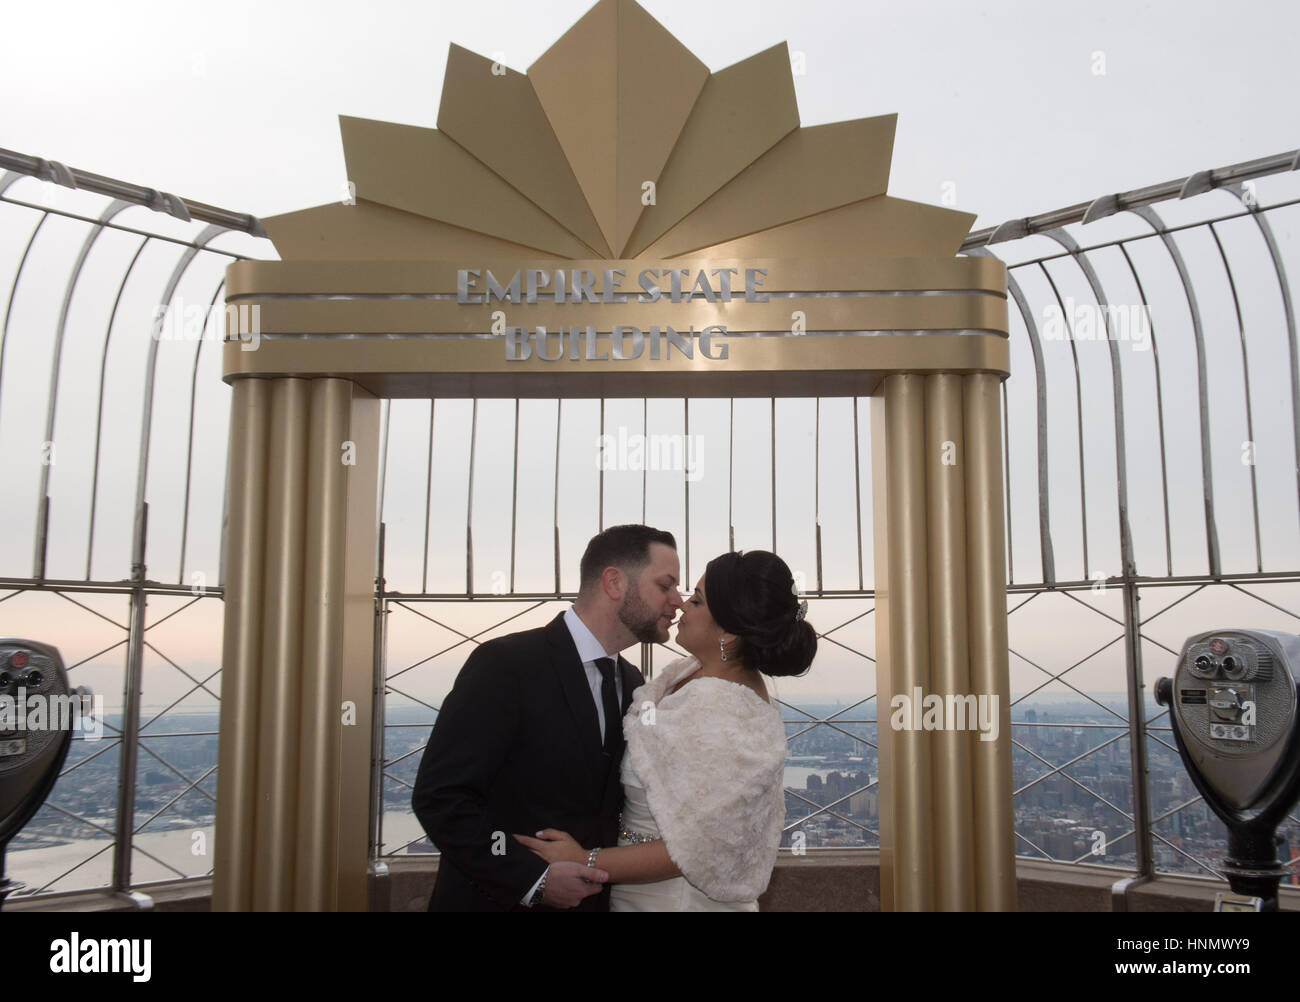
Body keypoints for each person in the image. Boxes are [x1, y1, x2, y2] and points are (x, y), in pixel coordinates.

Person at [515, 549, 816, 911]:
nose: (683, 604)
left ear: (729, 633)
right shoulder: (691, 676)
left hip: (676, 899)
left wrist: (584, 860)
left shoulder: (730, 715)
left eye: (699, 601)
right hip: (637, 891)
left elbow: (698, 848)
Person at [411, 524, 683, 911]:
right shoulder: (505, 664)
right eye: (665, 585)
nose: (678, 601)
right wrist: (531, 880)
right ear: (614, 582)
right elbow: (441, 796)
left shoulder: (631, 680)